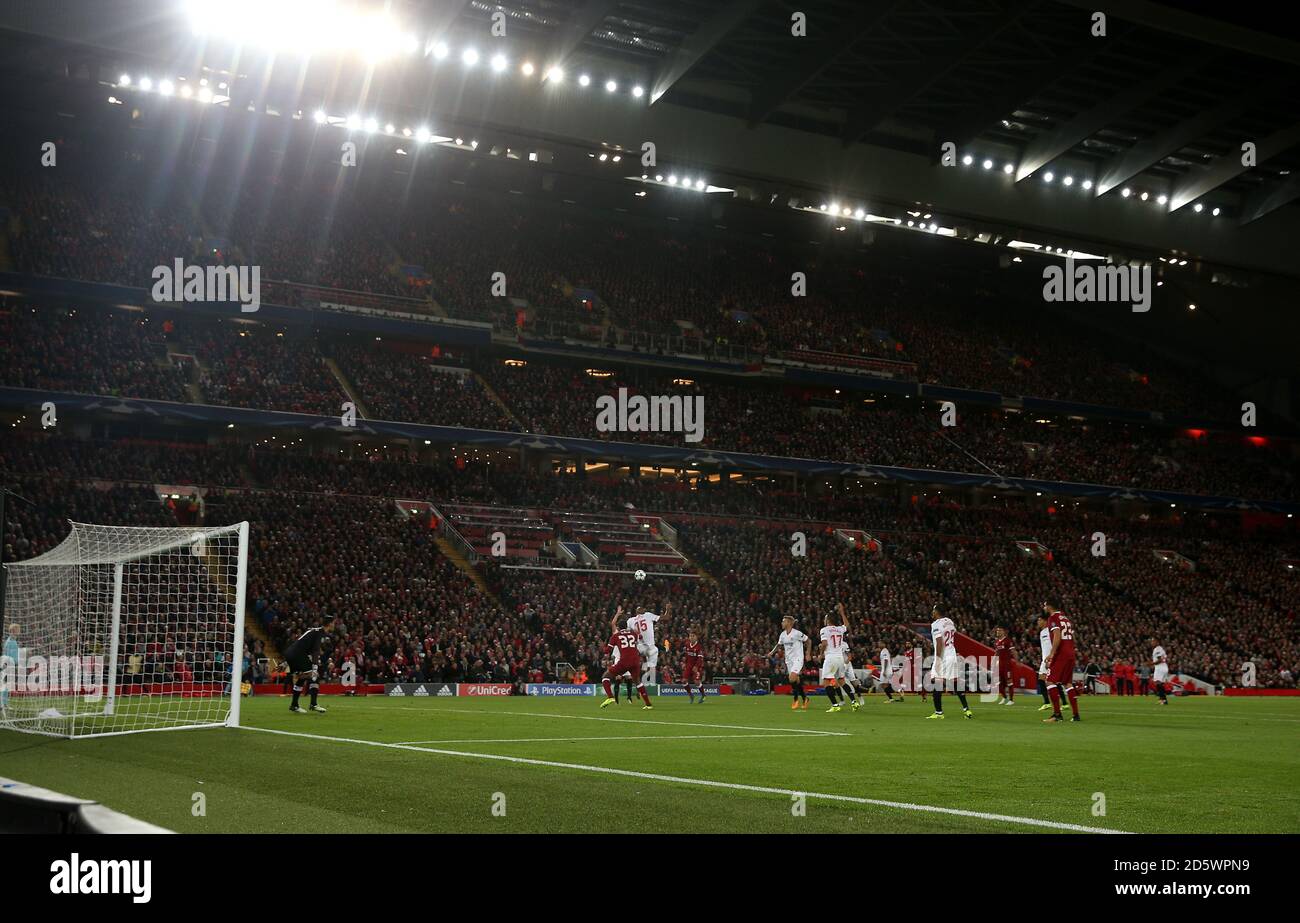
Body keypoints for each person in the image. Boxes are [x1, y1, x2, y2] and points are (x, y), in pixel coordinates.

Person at [927, 604, 972, 719]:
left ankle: (938, 713)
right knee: (955, 682)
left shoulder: (935, 624)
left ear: (937, 612)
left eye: (933, 610)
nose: (932, 613)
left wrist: (937, 659)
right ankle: (966, 710)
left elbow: (939, 642)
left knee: (937, 684)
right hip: (952, 655)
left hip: (943, 656)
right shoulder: (950, 622)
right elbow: (952, 636)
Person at [283, 619, 338, 714]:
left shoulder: (316, 631)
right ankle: (313, 704)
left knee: (302, 677)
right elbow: (315, 650)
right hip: (297, 655)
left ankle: (294, 705)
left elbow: (312, 648)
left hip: (292, 653)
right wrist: (315, 665)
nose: (334, 625)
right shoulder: (318, 633)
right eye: (333, 623)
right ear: (329, 624)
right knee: (314, 675)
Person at [602, 606, 651, 709]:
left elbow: (607, 651)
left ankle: (611, 697)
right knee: (637, 681)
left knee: (606, 677)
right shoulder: (633, 633)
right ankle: (648, 704)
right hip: (635, 660)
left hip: (623, 661)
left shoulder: (615, 635)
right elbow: (640, 637)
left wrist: (603, 648)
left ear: (618, 628)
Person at [1042, 598, 1080, 723]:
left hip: (1061, 654)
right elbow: (1071, 636)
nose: (1044, 607)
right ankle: (1075, 715)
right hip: (1070, 653)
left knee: (1049, 681)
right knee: (1067, 683)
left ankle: (1057, 715)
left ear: (1049, 607)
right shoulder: (1066, 619)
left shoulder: (1053, 618)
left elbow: (1057, 635)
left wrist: (1052, 654)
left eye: (1045, 605)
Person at [819, 602, 858, 713]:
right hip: (840, 658)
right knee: (842, 681)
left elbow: (825, 643)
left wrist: (821, 654)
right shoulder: (839, 629)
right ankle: (854, 702)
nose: (824, 620)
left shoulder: (824, 630)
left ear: (828, 620)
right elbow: (847, 625)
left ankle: (835, 705)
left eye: (825, 618)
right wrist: (842, 612)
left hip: (831, 658)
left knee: (826, 682)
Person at [769, 615, 810, 711]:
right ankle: (805, 698)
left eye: (784, 622)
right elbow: (779, 645)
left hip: (798, 659)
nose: (782, 623)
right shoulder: (783, 635)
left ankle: (795, 699)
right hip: (789, 660)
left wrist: (808, 653)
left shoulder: (797, 633)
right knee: (796, 680)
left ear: (789, 623)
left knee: (792, 678)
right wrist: (771, 652)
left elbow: (809, 641)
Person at [681, 625, 706, 704]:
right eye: (690, 636)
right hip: (689, 665)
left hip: (696, 666)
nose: (691, 637)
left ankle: (703, 695)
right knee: (684, 681)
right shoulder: (687, 645)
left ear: (696, 637)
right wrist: (684, 664)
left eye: (693, 636)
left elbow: (700, 659)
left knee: (696, 682)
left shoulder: (699, 647)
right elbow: (687, 656)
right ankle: (691, 695)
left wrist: (696, 667)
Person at [993, 624, 1016, 705]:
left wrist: (1017, 661)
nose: (998, 632)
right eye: (997, 630)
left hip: (1007, 664)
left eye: (999, 630)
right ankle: (1004, 698)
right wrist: (993, 661)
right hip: (999, 665)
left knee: (1009, 681)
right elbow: (996, 652)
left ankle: (1011, 700)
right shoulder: (996, 642)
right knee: (999, 682)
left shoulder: (1007, 640)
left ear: (1003, 632)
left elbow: (1013, 651)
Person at [1, 623, 19, 717]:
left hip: (11, 665)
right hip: (7, 665)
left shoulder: (14, 641)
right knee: (4, 685)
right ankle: (2, 704)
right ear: (12, 631)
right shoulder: (9, 642)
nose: (18, 631)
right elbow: (5, 654)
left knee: (7, 686)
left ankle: (5, 703)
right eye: (16, 630)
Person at [1149, 638, 1170, 706]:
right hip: (1163, 667)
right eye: (1151, 642)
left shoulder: (1157, 649)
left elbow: (1160, 660)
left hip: (1160, 667)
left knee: (1158, 683)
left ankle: (1163, 700)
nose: (1152, 643)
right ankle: (1162, 699)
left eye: (1153, 641)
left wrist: (1150, 664)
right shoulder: (1161, 649)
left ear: (1157, 642)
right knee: (1159, 684)